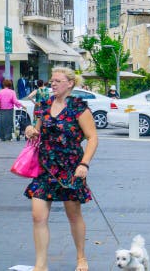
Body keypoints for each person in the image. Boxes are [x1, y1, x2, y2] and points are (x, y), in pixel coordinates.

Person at [23, 66, 98, 271]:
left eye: (57, 81)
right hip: (45, 167)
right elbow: (37, 131)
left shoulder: (79, 108)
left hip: (71, 169)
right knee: (38, 216)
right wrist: (30, 130)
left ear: (70, 83)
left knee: (73, 215)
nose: (52, 84)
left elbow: (92, 138)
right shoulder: (44, 105)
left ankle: (81, 257)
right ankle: (41, 265)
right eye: (51, 81)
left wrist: (85, 164)